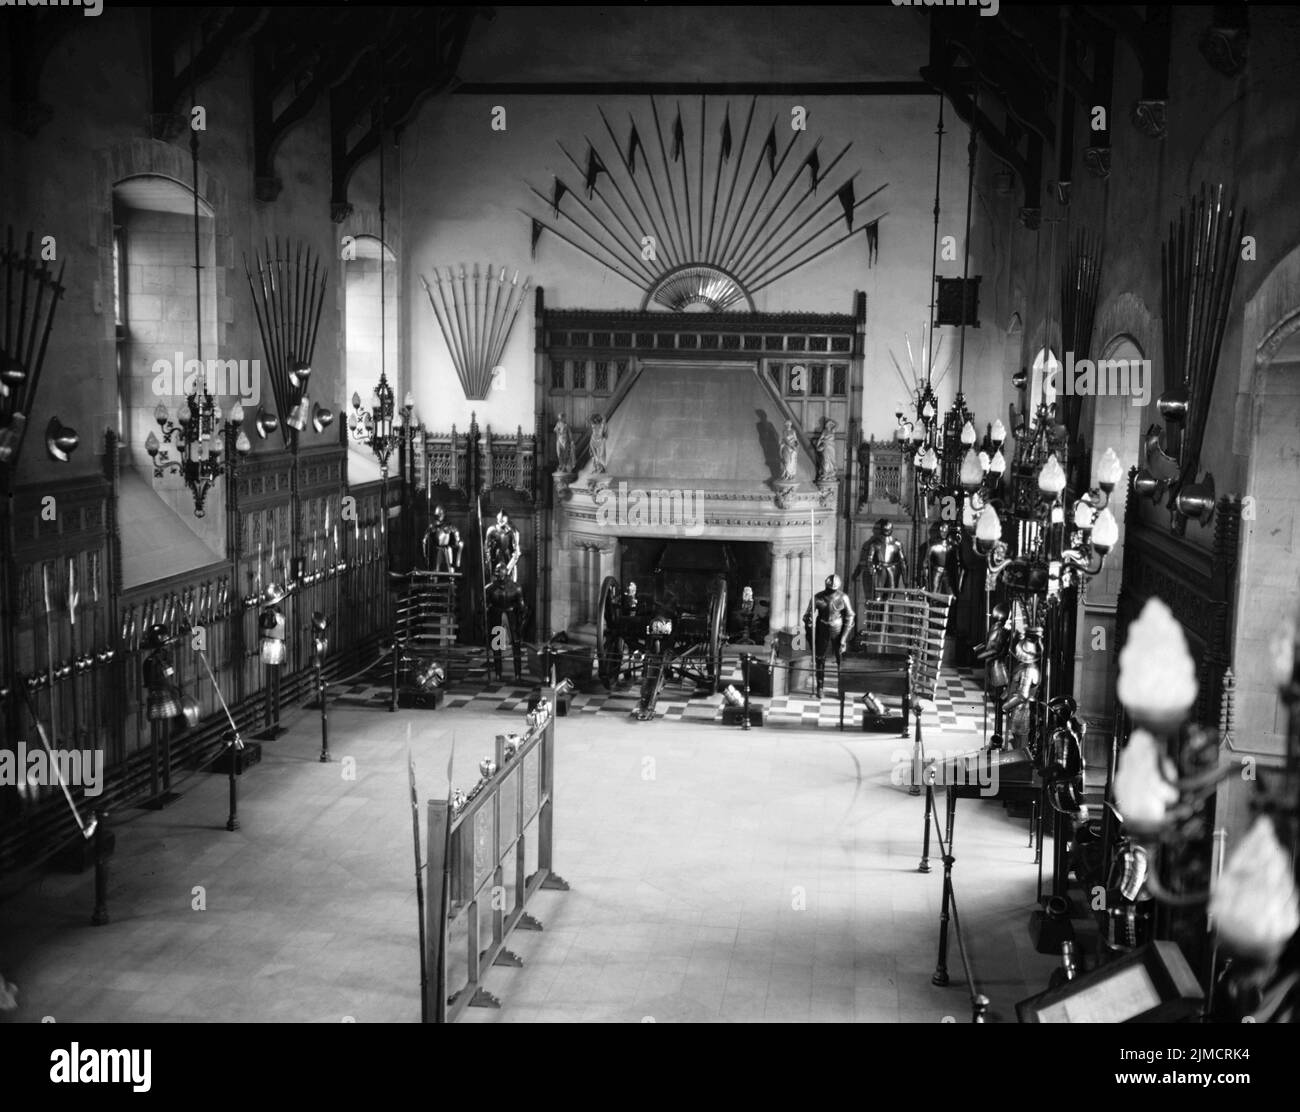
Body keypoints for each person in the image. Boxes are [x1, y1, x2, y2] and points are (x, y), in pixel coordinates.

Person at [803, 573, 855, 698]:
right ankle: (820, 687)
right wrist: (808, 620)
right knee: (820, 658)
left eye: (833, 589)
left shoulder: (843, 597)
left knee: (840, 660)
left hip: (838, 629)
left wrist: (843, 638)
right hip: (822, 628)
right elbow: (807, 615)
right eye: (829, 588)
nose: (831, 590)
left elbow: (850, 615)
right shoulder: (818, 597)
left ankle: (841, 688)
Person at [485, 562, 527, 681]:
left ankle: (518, 673)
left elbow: (522, 607)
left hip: (511, 616)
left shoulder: (516, 587)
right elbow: (485, 605)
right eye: (497, 572)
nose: (498, 575)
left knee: (516, 644)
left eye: (500, 572)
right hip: (497, 614)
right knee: (497, 645)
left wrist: (521, 623)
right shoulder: (490, 588)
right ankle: (498, 672)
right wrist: (485, 608)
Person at [422, 505, 463, 572]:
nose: (439, 516)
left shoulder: (449, 525)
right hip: (437, 548)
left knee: (450, 566)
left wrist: (458, 541)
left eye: (440, 514)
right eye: (438, 515)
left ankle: (451, 579)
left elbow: (456, 532)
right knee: (436, 568)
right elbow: (424, 539)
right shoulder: (433, 526)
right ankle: (435, 581)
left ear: (443, 514)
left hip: (447, 548)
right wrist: (425, 553)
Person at [485, 509, 521, 582]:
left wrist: (508, 569)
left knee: (510, 585)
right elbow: (486, 547)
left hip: (508, 559)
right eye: (499, 520)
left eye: (503, 520)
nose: (501, 522)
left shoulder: (513, 532)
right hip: (495, 560)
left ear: (506, 520)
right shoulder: (491, 530)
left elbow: (516, 552)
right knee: (493, 585)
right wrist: (488, 562)